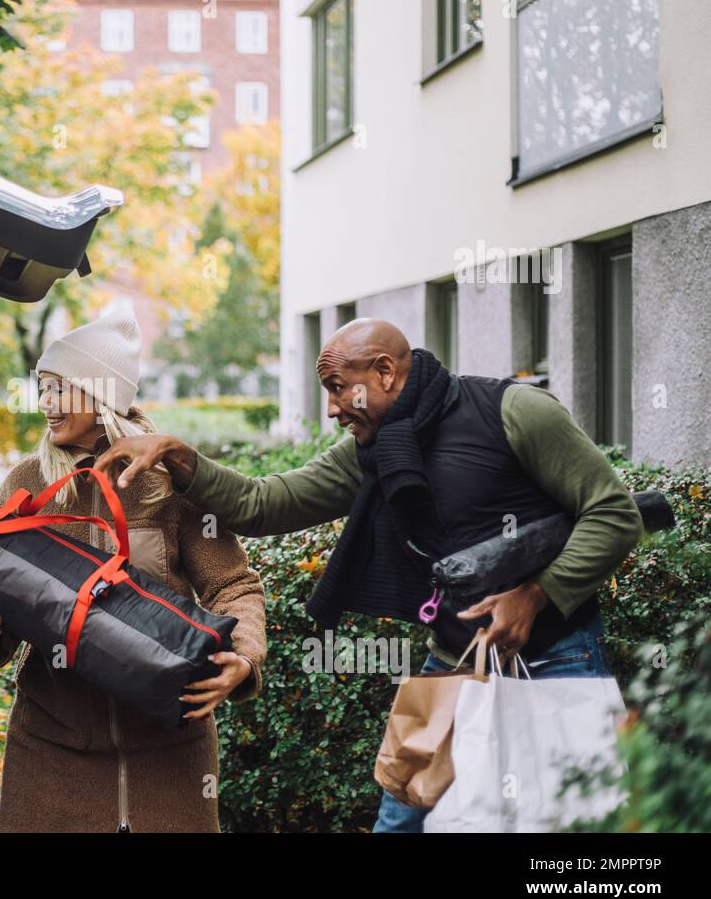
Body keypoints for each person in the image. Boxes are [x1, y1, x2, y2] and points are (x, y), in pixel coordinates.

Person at [92, 317, 644, 833]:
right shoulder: (373, 449)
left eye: (337, 386)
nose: (332, 408)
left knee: (573, 820)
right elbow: (268, 503)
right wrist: (180, 457)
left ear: (384, 371)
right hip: (453, 658)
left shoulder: (514, 411)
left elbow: (614, 514)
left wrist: (536, 594)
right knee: (401, 818)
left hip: (557, 654)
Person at [0, 308, 267, 832]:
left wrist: (245, 657)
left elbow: (233, 584)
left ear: (102, 398)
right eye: (42, 390)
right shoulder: (28, 483)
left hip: (171, 746)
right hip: (52, 747)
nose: (45, 406)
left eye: (59, 390)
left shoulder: (169, 484)